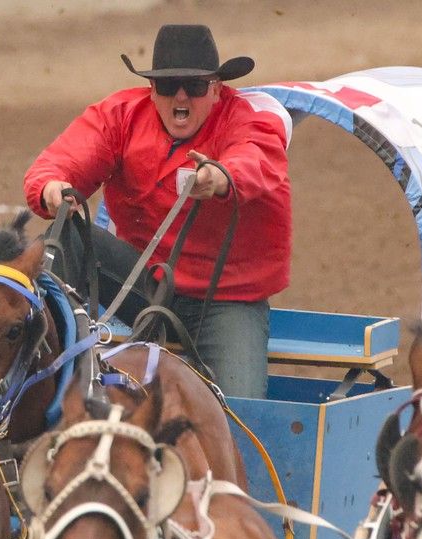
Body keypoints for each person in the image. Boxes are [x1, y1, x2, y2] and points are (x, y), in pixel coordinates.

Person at [24, 24, 293, 399]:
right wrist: (52, 187)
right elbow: (61, 162)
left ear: (216, 88)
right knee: (65, 236)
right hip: (145, 284)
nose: (181, 95)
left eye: (195, 86)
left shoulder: (247, 120)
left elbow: (256, 159)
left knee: (240, 412)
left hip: (227, 303)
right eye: (168, 86)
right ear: (152, 90)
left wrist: (219, 176)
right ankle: (37, 364)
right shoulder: (120, 116)